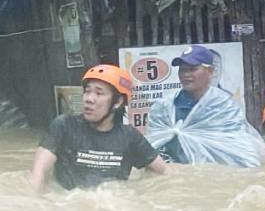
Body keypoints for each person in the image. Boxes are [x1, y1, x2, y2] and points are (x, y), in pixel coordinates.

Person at [29, 64, 168, 192]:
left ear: (118, 102)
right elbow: (39, 172)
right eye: (87, 91)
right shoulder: (64, 126)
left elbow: (164, 174)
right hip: (67, 206)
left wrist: (137, 191)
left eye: (99, 93)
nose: (89, 99)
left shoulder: (129, 136)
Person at [146, 44, 265, 168]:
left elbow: (238, 149)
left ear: (210, 71)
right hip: (176, 174)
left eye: (193, 69)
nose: (186, 74)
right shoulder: (165, 107)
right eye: (182, 69)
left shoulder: (224, 106)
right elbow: (154, 147)